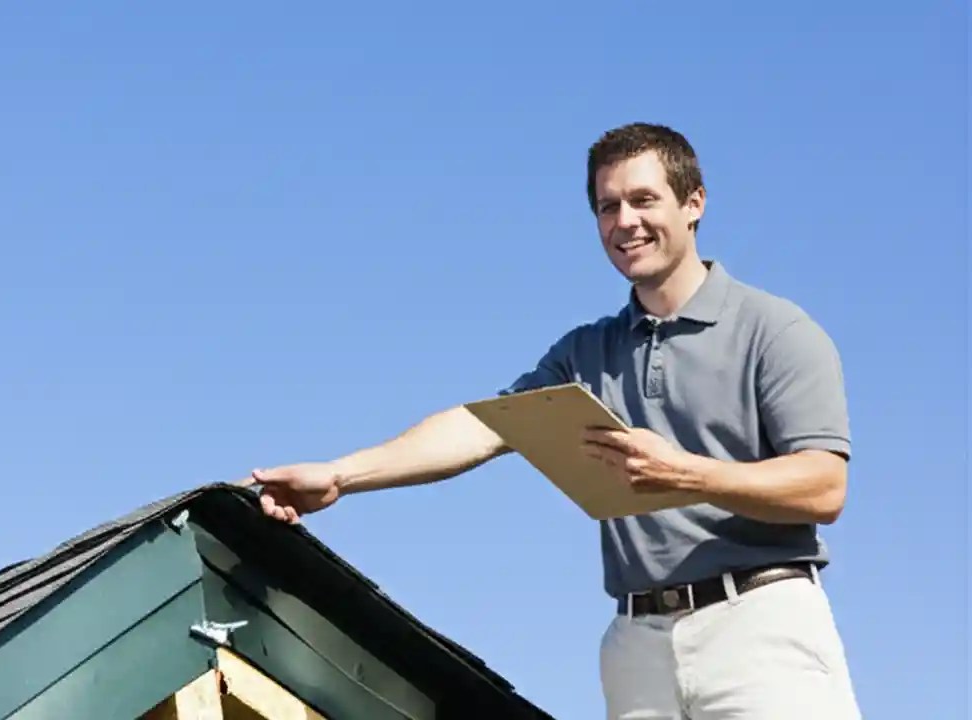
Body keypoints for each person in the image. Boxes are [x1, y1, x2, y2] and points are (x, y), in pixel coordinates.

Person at [242, 122, 861, 719]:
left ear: (694, 203)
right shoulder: (583, 353)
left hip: (760, 622)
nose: (625, 223)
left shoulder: (775, 330)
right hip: (636, 642)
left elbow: (824, 486)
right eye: (606, 207)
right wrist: (341, 477)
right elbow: (483, 427)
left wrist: (689, 474)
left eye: (643, 200)